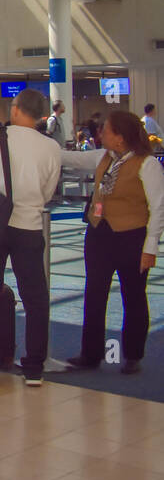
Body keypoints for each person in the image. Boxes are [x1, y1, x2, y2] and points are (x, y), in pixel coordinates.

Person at [0, 88, 61, 387]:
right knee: (35, 297)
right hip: (29, 226)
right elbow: (48, 191)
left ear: (16, 109)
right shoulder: (51, 147)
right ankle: (33, 367)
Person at [61, 111, 162, 375]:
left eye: (105, 130)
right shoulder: (101, 157)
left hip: (132, 237)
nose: (100, 134)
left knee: (134, 296)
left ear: (119, 137)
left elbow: (158, 208)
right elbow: (69, 157)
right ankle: (90, 354)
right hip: (99, 235)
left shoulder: (147, 164)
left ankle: (133, 355)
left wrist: (150, 247)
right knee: (94, 293)